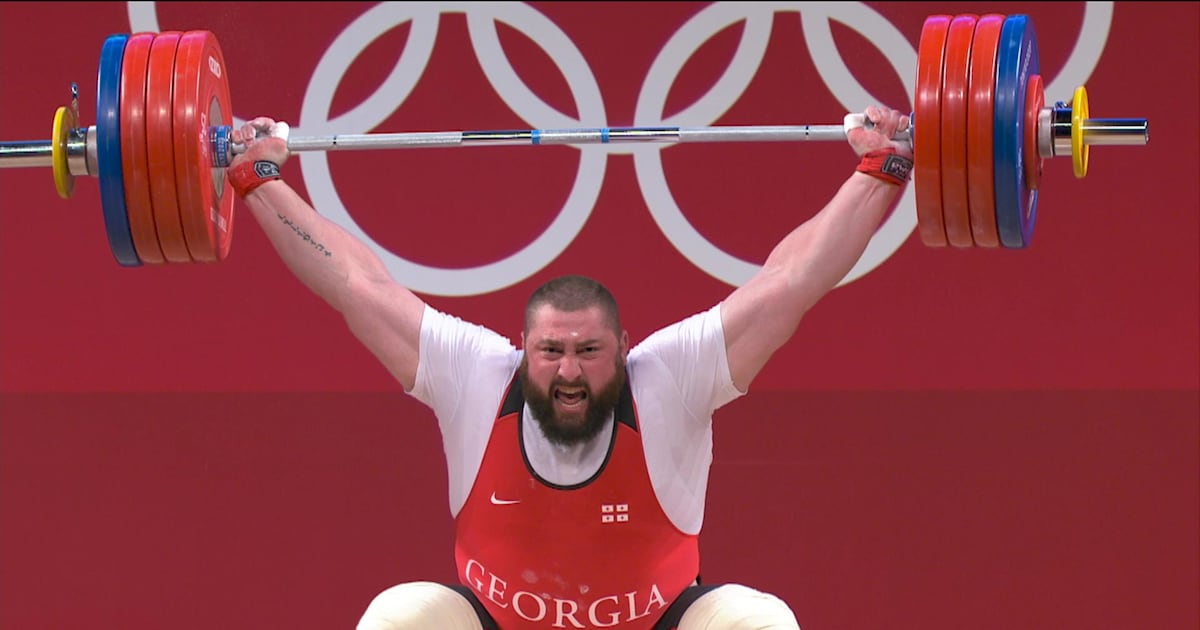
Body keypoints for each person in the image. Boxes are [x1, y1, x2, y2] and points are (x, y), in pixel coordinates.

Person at [225, 104, 913, 630]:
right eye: (551, 352)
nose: (569, 373)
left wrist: (882, 170)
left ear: (623, 348)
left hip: (661, 623)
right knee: (400, 616)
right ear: (524, 352)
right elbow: (357, 285)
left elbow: (789, 282)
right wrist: (256, 179)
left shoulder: (669, 379)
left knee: (760, 621)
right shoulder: (476, 375)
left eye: (589, 352)